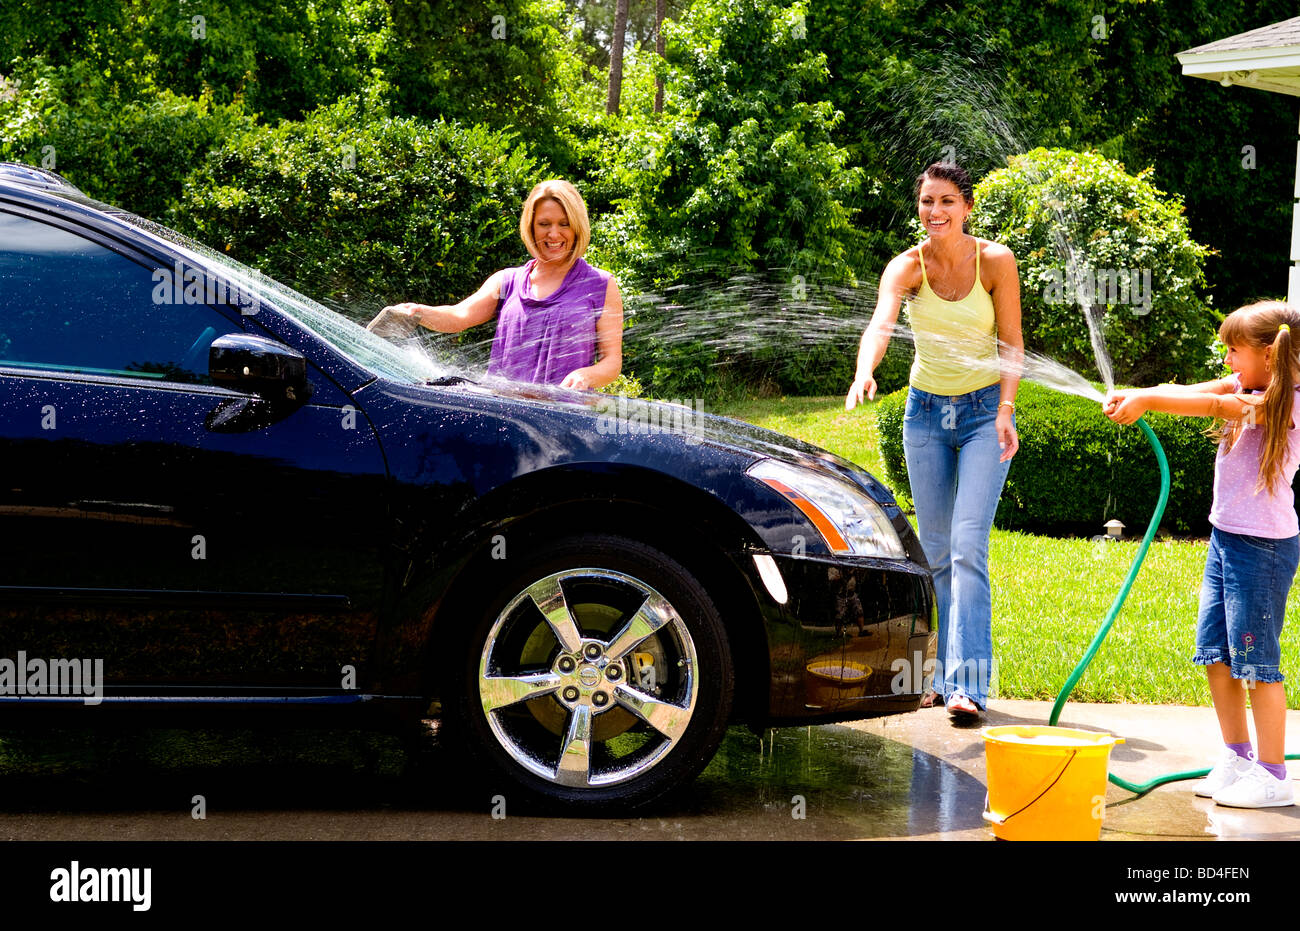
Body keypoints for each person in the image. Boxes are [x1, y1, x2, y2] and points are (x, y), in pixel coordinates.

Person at [845, 161, 1023, 722]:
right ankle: (939, 679)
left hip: (983, 415)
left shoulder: (995, 262)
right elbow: (880, 324)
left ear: (967, 206)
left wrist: (1006, 409)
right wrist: (865, 371)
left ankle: (968, 686)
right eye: (927, 201)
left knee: (969, 546)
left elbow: (1012, 343)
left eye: (947, 201)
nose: (936, 211)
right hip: (924, 415)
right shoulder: (907, 266)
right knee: (937, 552)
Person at [1104, 302, 1300, 808]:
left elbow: (1216, 408)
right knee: (1217, 656)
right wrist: (1139, 396)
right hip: (1226, 539)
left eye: (1234, 351)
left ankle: (1273, 775)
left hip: (1263, 549)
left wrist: (1148, 400)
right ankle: (1238, 756)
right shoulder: (1244, 386)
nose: (1227, 360)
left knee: (1256, 664)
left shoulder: (1285, 404)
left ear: (1270, 356)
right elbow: (1198, 392)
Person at [367, 179, 622, 389]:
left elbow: (611, 362)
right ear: (531, 227)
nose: (553, 233)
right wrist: (417, 312)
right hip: (502, 413)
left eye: (564, 224)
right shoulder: (507, 281)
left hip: (561, 418)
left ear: (577, 227)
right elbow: (459, 315)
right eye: (544, 224)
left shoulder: (600, 285)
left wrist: (587, 375)